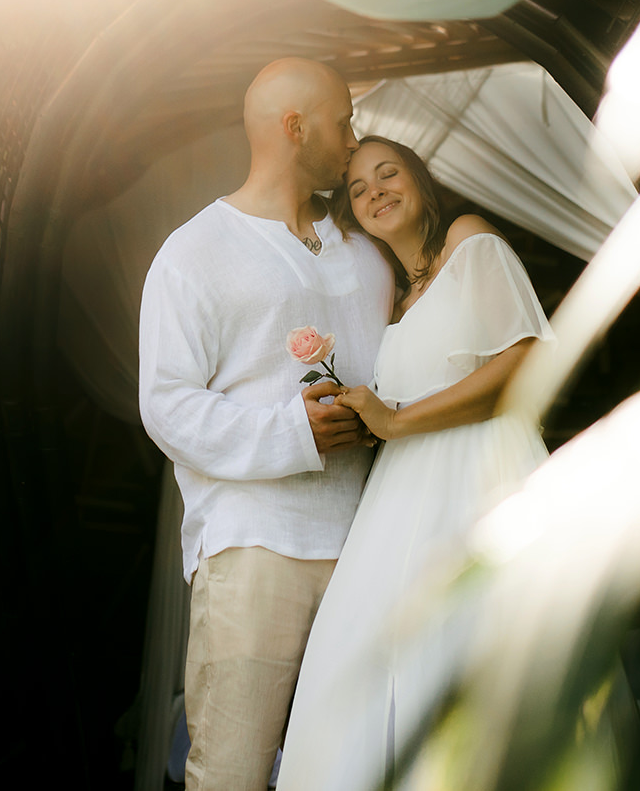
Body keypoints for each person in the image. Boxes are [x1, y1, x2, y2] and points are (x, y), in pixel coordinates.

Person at [138, 59, 396, 791]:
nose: (354, 139)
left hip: (367, 550)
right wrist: (295, 431)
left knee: (355, 769)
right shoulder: (193, 254)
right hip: (254, 551)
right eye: (343, 122)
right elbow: (166, 403)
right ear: (295, 128)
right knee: (232, 770)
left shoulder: (368, 255)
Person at [276, 136, 551, 791]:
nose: (375, 191)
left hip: (482, 477)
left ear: (421, 180)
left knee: (478, 660)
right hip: (401, 498)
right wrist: (366, 416)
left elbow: (523, 357)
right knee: (370, 667)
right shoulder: (396, 300)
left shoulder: (470, 239)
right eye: (359, 187)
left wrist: (397, 418)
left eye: (387, 173)